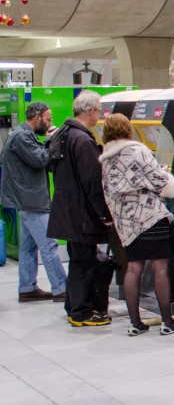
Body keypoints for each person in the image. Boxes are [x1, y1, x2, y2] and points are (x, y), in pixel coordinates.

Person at [99, 113, 174, 336]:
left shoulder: (105, 159)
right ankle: (167, 322)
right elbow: (160, 182)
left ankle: (135, 323)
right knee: (160, 268)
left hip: (126, 223)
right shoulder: (139, 150)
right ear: (128, 130)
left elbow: (109, 193)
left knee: (133, 268)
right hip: (151, 217)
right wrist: (164, 173)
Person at [47, 90, 114, 327]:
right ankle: (81, 312)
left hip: (67, 209)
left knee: (78, 260)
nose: (99, 116)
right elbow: (92, 182)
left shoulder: (63, 134)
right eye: (98, 111)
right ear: (90, 111)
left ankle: (72, 306)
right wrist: (104, 214)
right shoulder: (83, 140)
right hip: (81, 214)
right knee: (83, 263)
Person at [0, 102, 67, 303]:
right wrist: (52, 141)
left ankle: (27, 287)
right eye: (48, 119)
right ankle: (61, 288)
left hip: (27, 198)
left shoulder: (24, 135)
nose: (49, 123)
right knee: (49, 244)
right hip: (31, 201)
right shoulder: (21, 137)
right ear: (37, 117)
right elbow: (40, 159)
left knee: (29, 246)